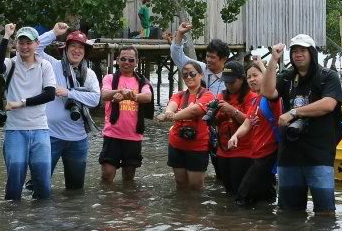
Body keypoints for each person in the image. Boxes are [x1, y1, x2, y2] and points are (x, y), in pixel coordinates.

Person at [260, 35, 342, 215]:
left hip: (319, 154)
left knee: (325, 214)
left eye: (303, 50)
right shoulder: (287, 77)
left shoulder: (327, 76)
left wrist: (294, 112)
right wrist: (273, 60)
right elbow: (267, 92)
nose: (298, 54)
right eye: (295, 51)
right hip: (289, 154)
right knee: (288, 213)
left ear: (312, 52)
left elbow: (328, 104)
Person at [0, 24, 57, 200]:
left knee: (43, 181)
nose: (25, 47)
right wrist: (6, 36)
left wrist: (22, 103)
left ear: (37, 44)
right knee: (15, 179)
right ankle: (13, 214)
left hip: (40, 129)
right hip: (14, 130)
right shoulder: (11, 64)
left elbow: (50, 94)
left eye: (29, 43)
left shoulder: (44, 65)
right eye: (21, 43)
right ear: (16, 44)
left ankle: (40, 215)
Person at [35, 22, 101, 190]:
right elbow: (35, 49)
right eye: (73, 46)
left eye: (81, 47)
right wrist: (53, 32)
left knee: (75, 190)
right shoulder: (52, 65)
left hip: (78, 139)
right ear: (65, 49)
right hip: (50, 136)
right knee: (39, 186)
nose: (76, 50)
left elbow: (95, 99)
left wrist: (68, 92)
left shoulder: (90, 74)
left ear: (85, 52)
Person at [227, 56, 283, 206]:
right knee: (265, 197)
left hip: (269, 154)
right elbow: (247, 124)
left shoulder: (272, 99)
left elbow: (272, 83)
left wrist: (263, 66)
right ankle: (266, 219)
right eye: (249, 77)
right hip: (257, 153)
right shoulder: (255, 101)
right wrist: (235, 136)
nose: (251, 79)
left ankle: (242, 222)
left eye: (255, 75)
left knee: (242, 198)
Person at [156, 59, 214, 190]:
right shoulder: (179, 95)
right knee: (180, 183)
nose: (188, 77)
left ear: (201, 75)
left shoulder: (208, 95)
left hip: (197, 146)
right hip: (176, 144)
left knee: (196, 186)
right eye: (185, 75)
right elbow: (171, 105)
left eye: (192, 73)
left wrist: (172, 117)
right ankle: (181, 204)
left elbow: (194, 110)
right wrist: (168, 113)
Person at [99, 46, 153, 183]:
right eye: (123, 59)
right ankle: (107, 197)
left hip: (133, 135)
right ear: (117, 60)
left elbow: (148, 96)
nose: (127, 62)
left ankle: (126, 197)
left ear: (136, 62)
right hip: (112, 134)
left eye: (131, 60)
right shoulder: (110, 78)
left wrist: (132, 96)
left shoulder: (142, 81)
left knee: (129, 177)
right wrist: (120, 92)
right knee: (107, 174)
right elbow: (105, 94)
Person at [213, 60, 254, 194]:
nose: (228, 85)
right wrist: (211, 113)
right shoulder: (222, 95)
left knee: (240, 189)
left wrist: (231, 110)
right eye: (226, 82)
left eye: (232, 82)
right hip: (223, 149)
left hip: (244, 150)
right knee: (228, 190)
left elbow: (250, 122)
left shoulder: (251, 96)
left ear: (242, 79)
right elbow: (214, 122)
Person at [170, 21, 229, 97]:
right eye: (207, 56)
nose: (208, 60)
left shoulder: (230, 76)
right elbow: (177, 57)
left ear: (224, 59)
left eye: (212, 57)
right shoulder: (199, 68)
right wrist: (180, 33)